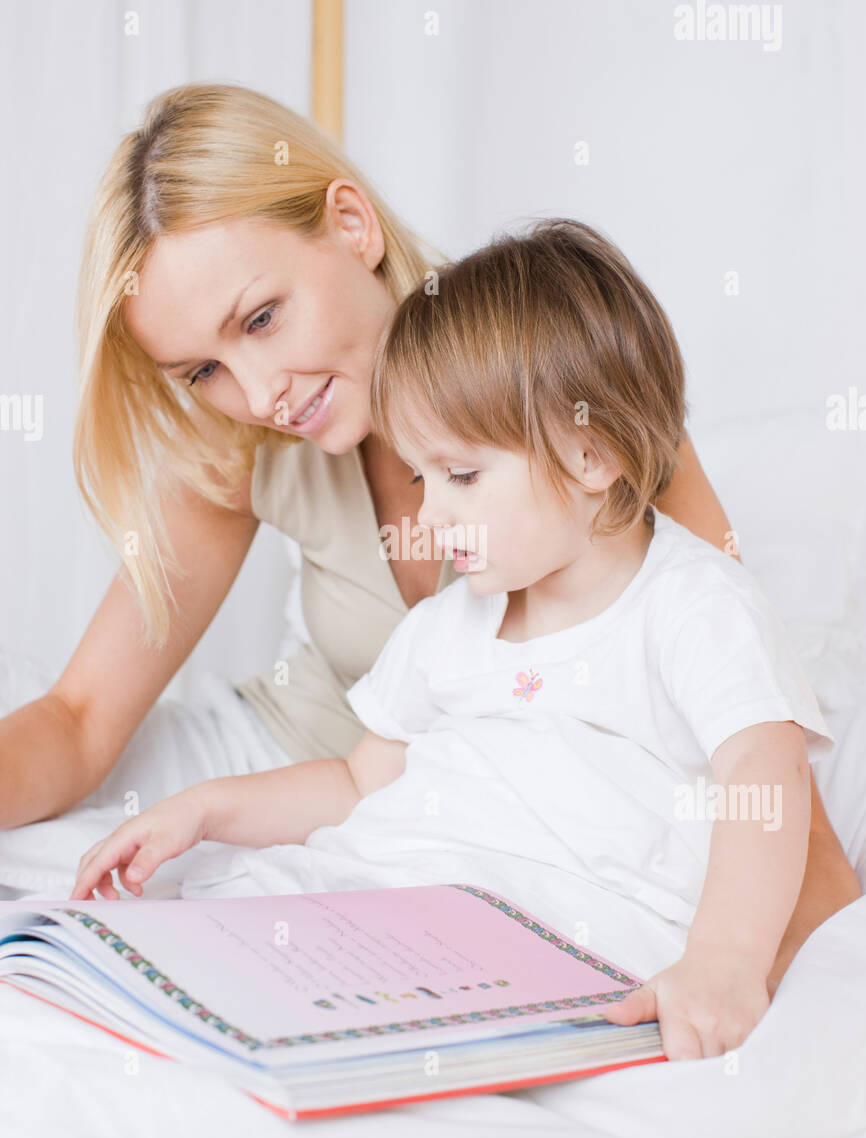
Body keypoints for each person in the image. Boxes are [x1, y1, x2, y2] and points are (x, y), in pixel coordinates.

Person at [1, 84, 858, 985]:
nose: (260, 396)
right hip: (304, 761)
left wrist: (790, 939)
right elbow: (81, 717)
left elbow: (740, 678)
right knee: (62, 874)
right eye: (204, 370)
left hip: (439, 805)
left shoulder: (541, 366)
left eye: (261, 318)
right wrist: (204, 809)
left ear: (351, 225)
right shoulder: (242, 443)